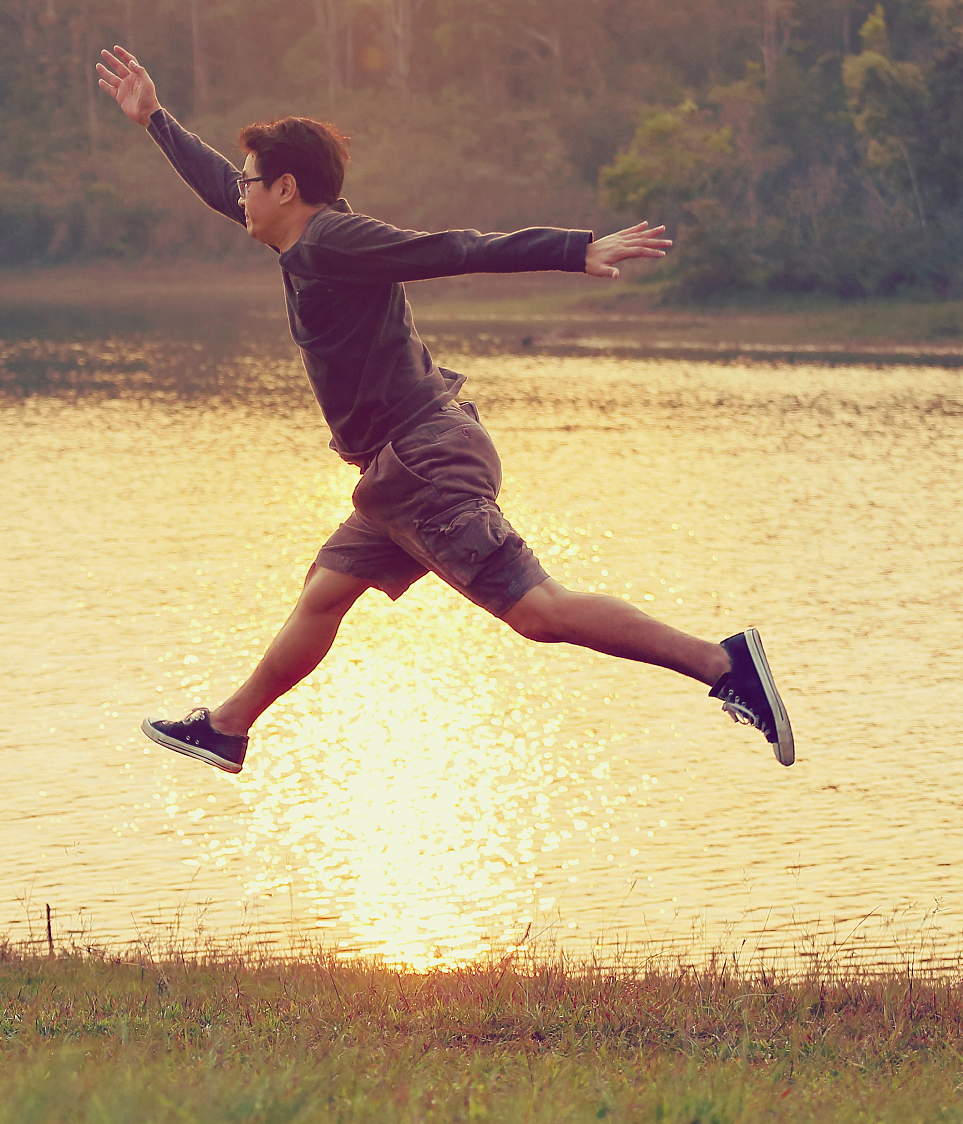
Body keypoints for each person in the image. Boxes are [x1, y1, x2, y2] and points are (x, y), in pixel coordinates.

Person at [95, 46, 794, 774]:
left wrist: (574, 249)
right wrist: (154, 120)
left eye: (250, 185)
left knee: (540, 611)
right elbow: (219, 185)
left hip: (424, 461)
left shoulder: (336, 239)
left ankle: (723, 664)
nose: (238, 195)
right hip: (401, 469)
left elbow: (452, 248)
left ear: (287, 187)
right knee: (324, 594)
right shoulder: (301, 237)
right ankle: (230, 727)